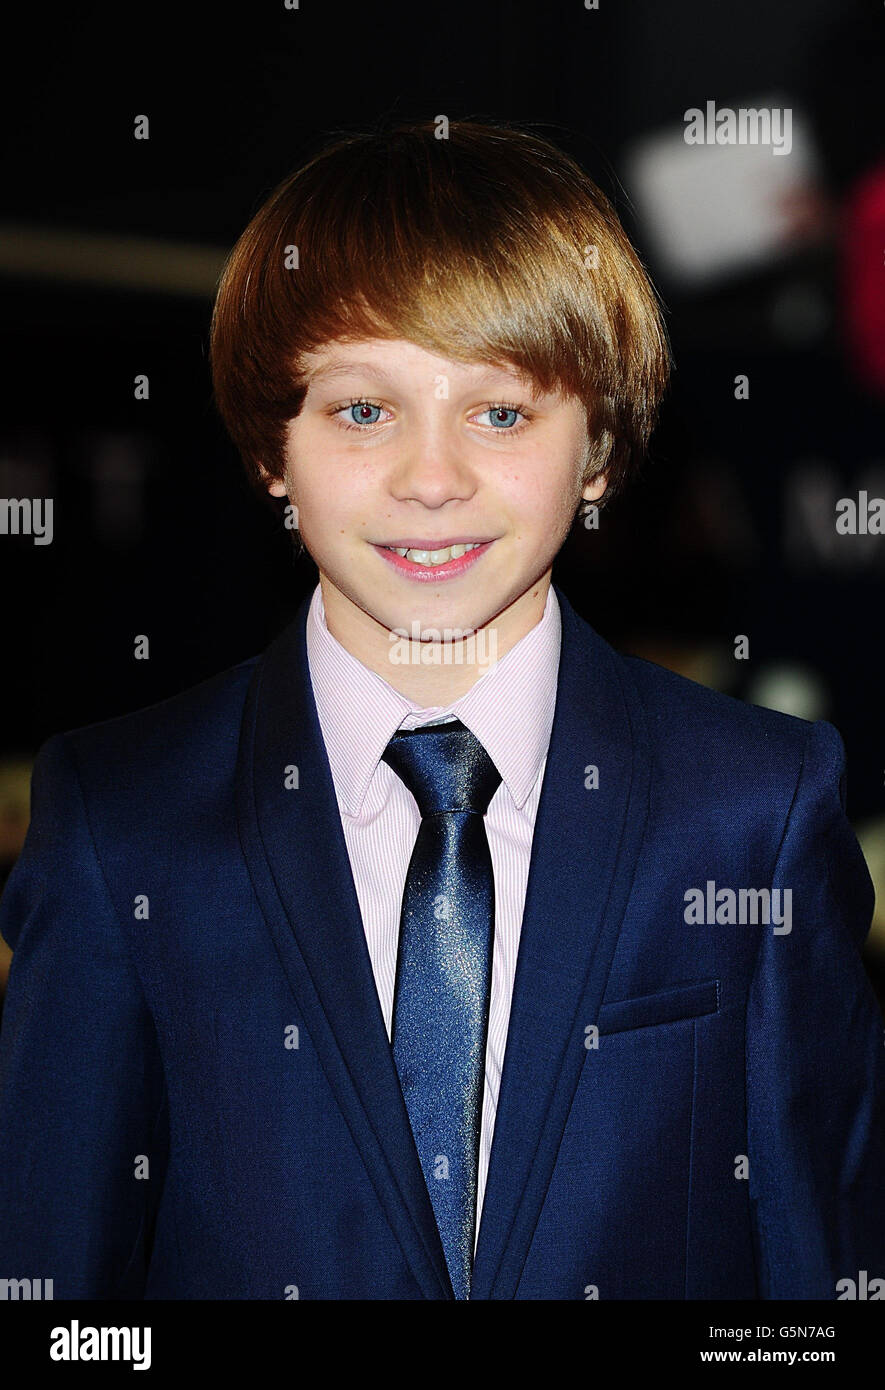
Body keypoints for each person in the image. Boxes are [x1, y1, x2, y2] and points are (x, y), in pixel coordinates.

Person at [0, 119, 882, 1301]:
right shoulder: (122, 821)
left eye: (502, 413)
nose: (430, 476)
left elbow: (817, 1290)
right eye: (364, 410)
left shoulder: (753, 809)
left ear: (603, 450)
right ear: (274, 442)